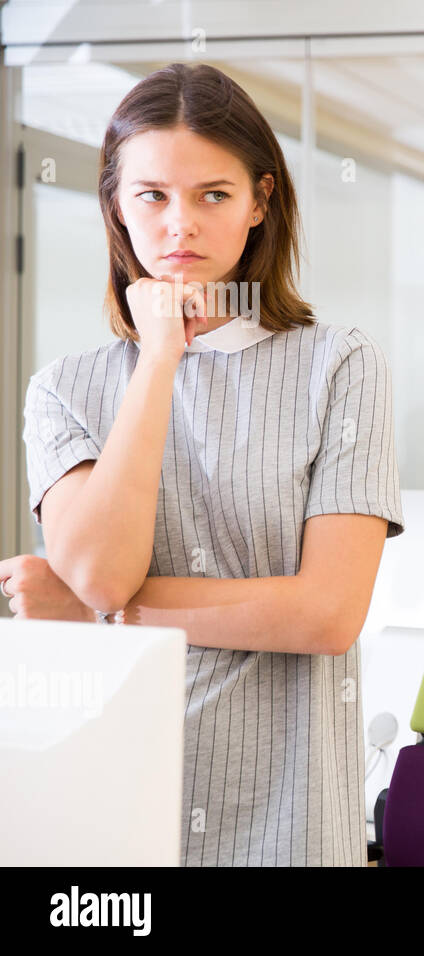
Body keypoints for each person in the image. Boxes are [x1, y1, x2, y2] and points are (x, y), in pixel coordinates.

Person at [1, 63, 403, 866]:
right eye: (151, 195)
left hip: (289, 816)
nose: (179, 223)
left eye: (212, 194)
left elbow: (326, 616)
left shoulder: (340, 365)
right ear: (116, 203)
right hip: (113, 796)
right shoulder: (66, 389)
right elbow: (102, 571)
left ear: (260, 201)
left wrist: (98, 617)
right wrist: (157, 359)